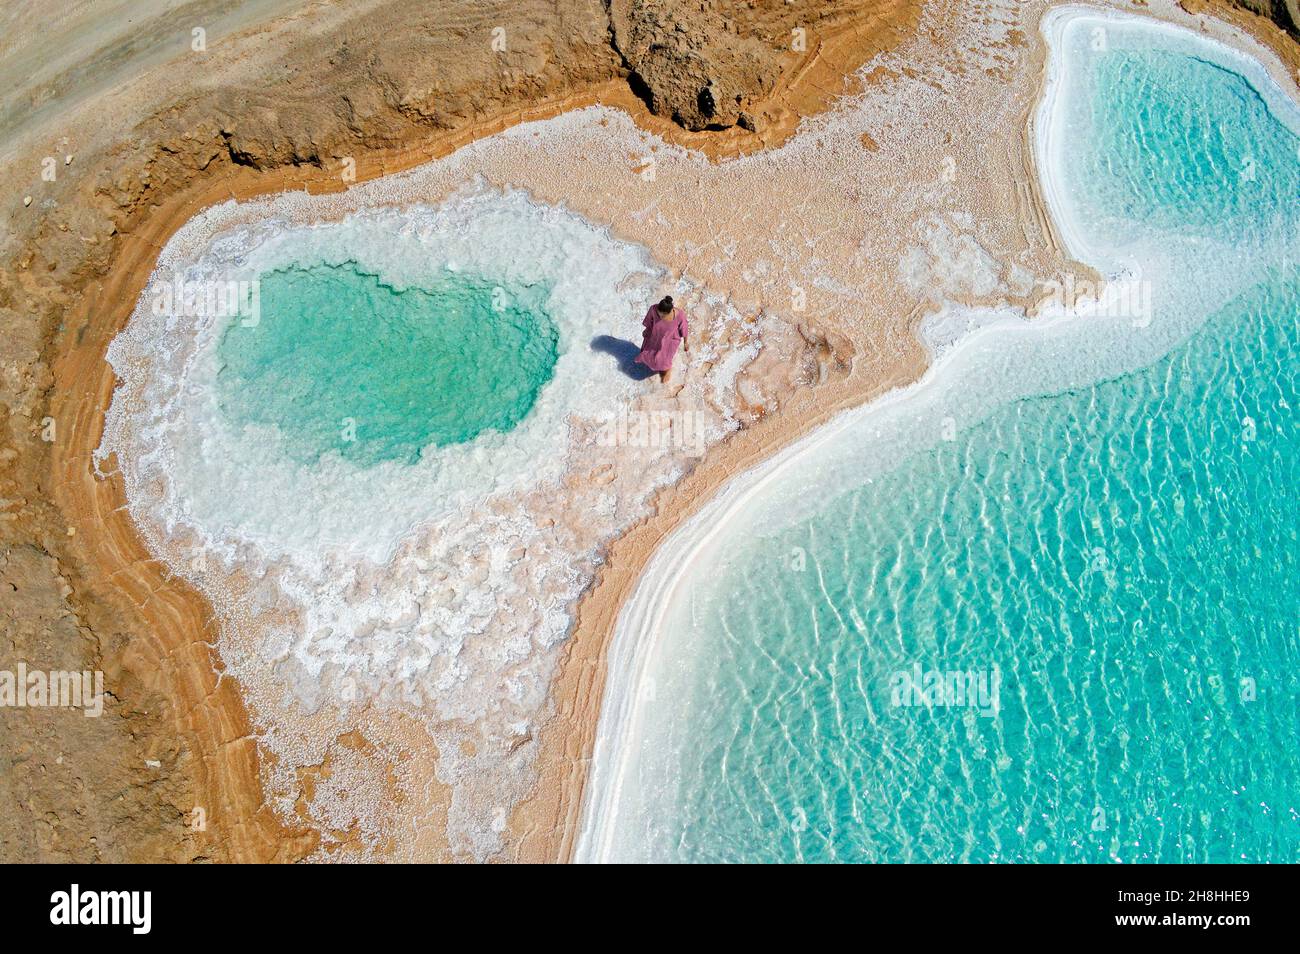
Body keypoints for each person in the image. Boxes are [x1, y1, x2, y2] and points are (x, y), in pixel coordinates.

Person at [634, 295, 689, 383]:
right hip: (655, 336)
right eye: (659, 314)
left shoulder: (680, 315)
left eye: (663, 315)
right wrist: (647, 330)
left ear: (670, 311)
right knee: (649, 355)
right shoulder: (653, 309)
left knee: (664, 360)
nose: (661, 317)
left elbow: (684, 328)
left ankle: (667, 370)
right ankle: (658, 366)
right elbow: (649, 320)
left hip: (671, 340)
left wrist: (686, 342)